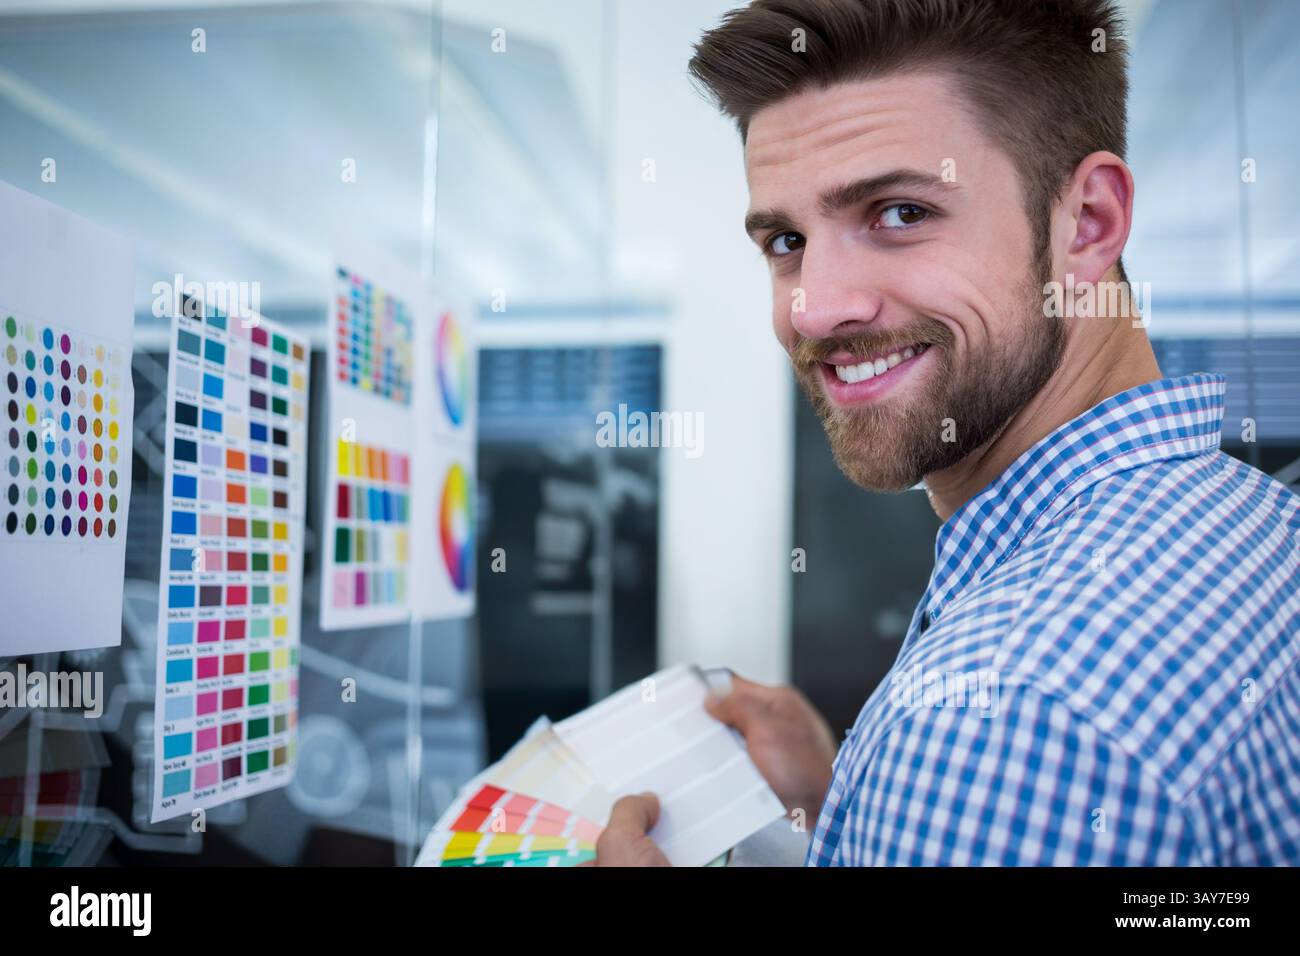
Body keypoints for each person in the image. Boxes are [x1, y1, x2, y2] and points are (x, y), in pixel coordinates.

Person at [592, 0, 1300, 866]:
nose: (814, 307)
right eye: (786, 239)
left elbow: (1024, 758)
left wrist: (919, 773)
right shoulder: (1256, 521)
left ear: (1089, 224)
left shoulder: (1008, 716)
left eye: (899, 213)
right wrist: (846, 806)